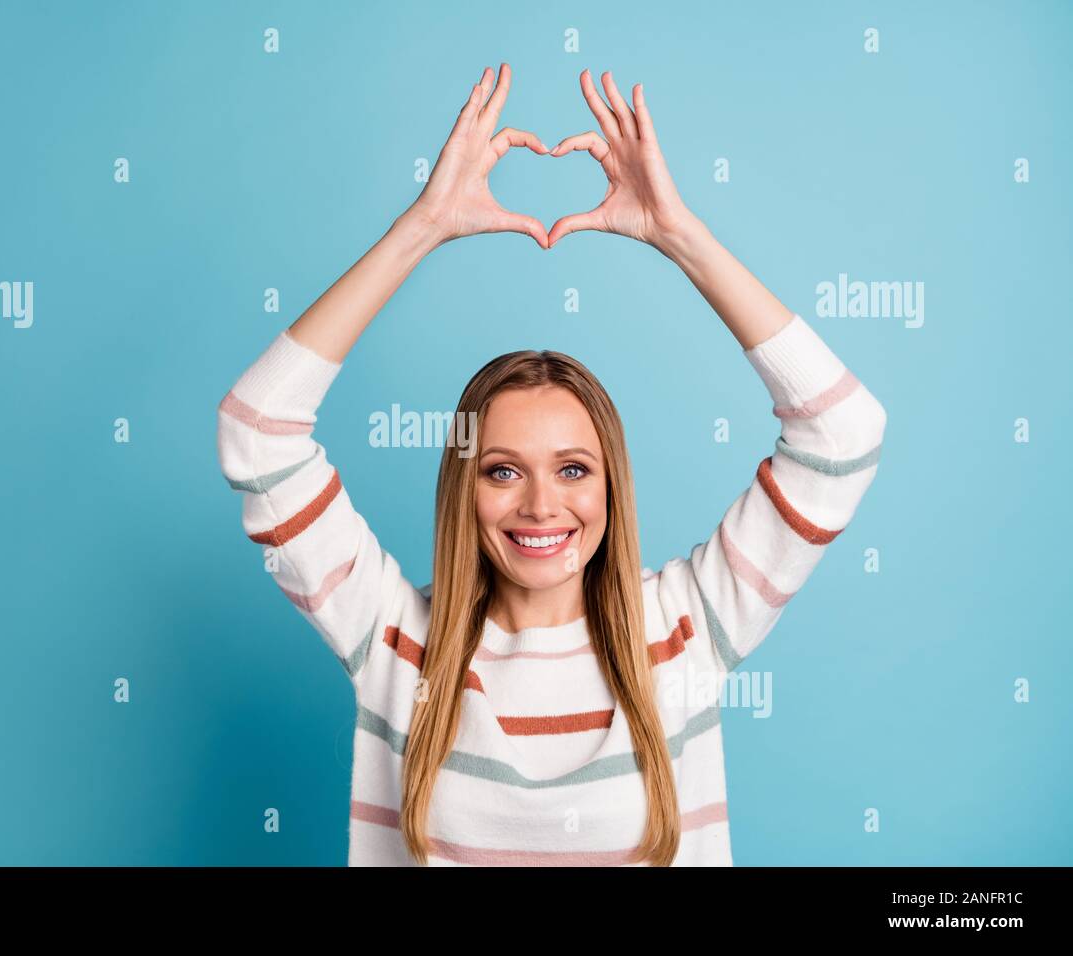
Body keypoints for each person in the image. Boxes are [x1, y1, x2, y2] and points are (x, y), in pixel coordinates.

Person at [217, 63, 887, 866]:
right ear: (464, 487)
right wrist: (422, 228)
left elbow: (842, 432)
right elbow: (258, 432)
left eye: (573, 470)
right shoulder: (395, 641)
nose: (541, 505)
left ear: (611, 486)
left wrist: (681, 236)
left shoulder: (684, 630)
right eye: (502, 470)